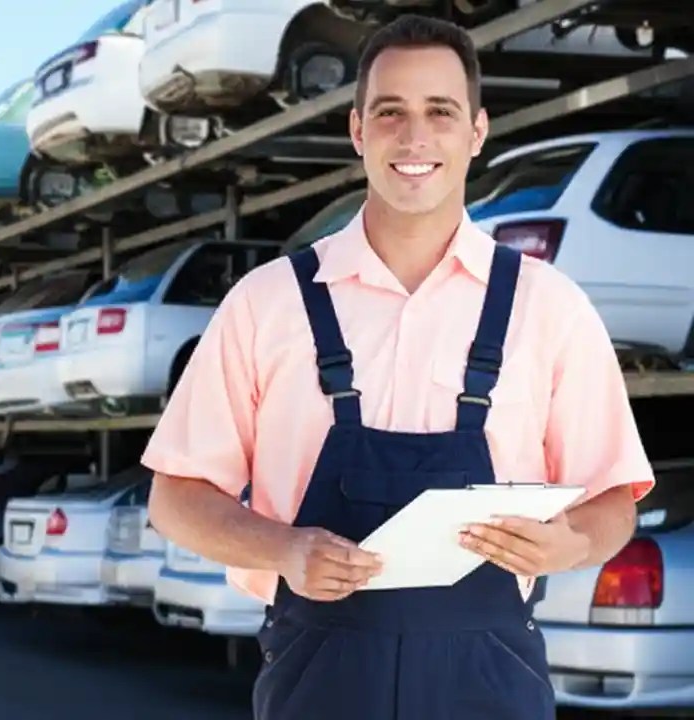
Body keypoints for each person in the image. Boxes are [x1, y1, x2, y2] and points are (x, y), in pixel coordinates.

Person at [140, 14, 654, 720]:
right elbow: (176, 498)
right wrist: (284, 548)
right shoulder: (267, 302)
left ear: (476, 132)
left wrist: (566, 544)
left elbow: (613, 502)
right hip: (317, 680)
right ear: (358, 132)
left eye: (439, 112)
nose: (414, 138)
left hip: (490, 680)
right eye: (391, 113)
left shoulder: (549, 306)